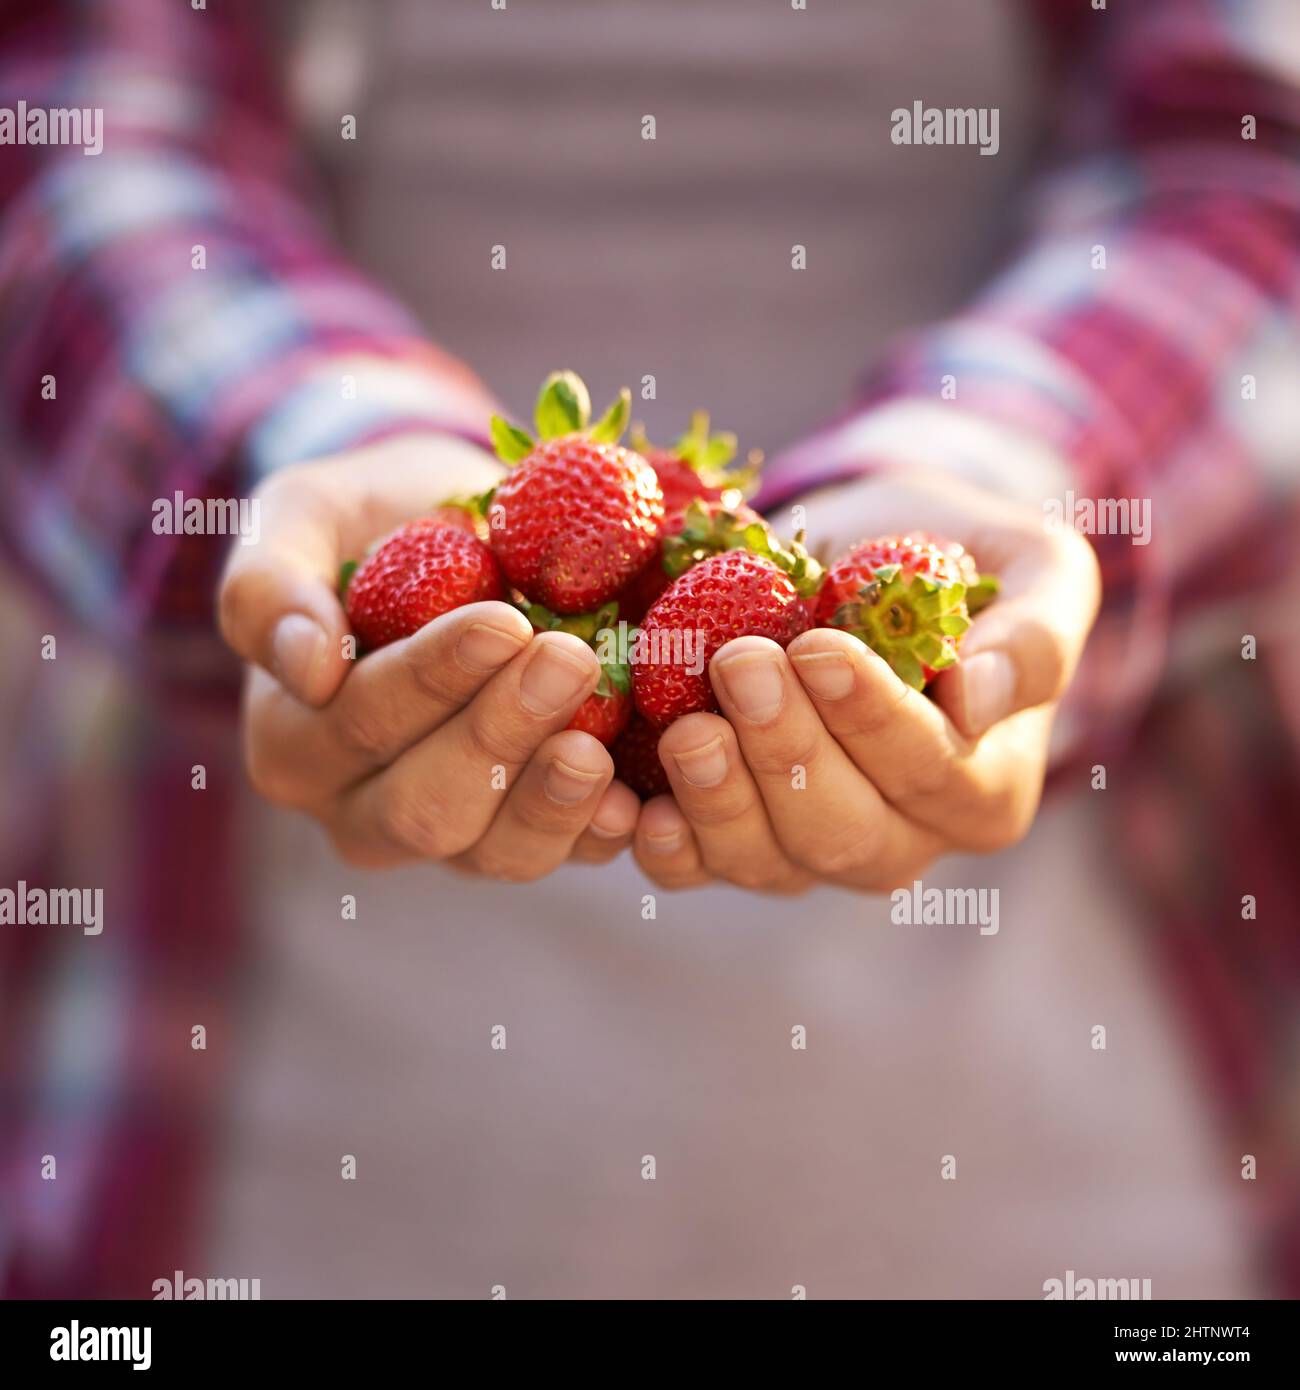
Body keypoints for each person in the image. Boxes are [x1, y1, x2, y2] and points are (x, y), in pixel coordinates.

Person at [1, 0, 1296, 1297]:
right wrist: (313, 448)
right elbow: (71, 141)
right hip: (278, 1186)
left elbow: (1253, 160)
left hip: (1093, 1180)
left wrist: (999, 475)